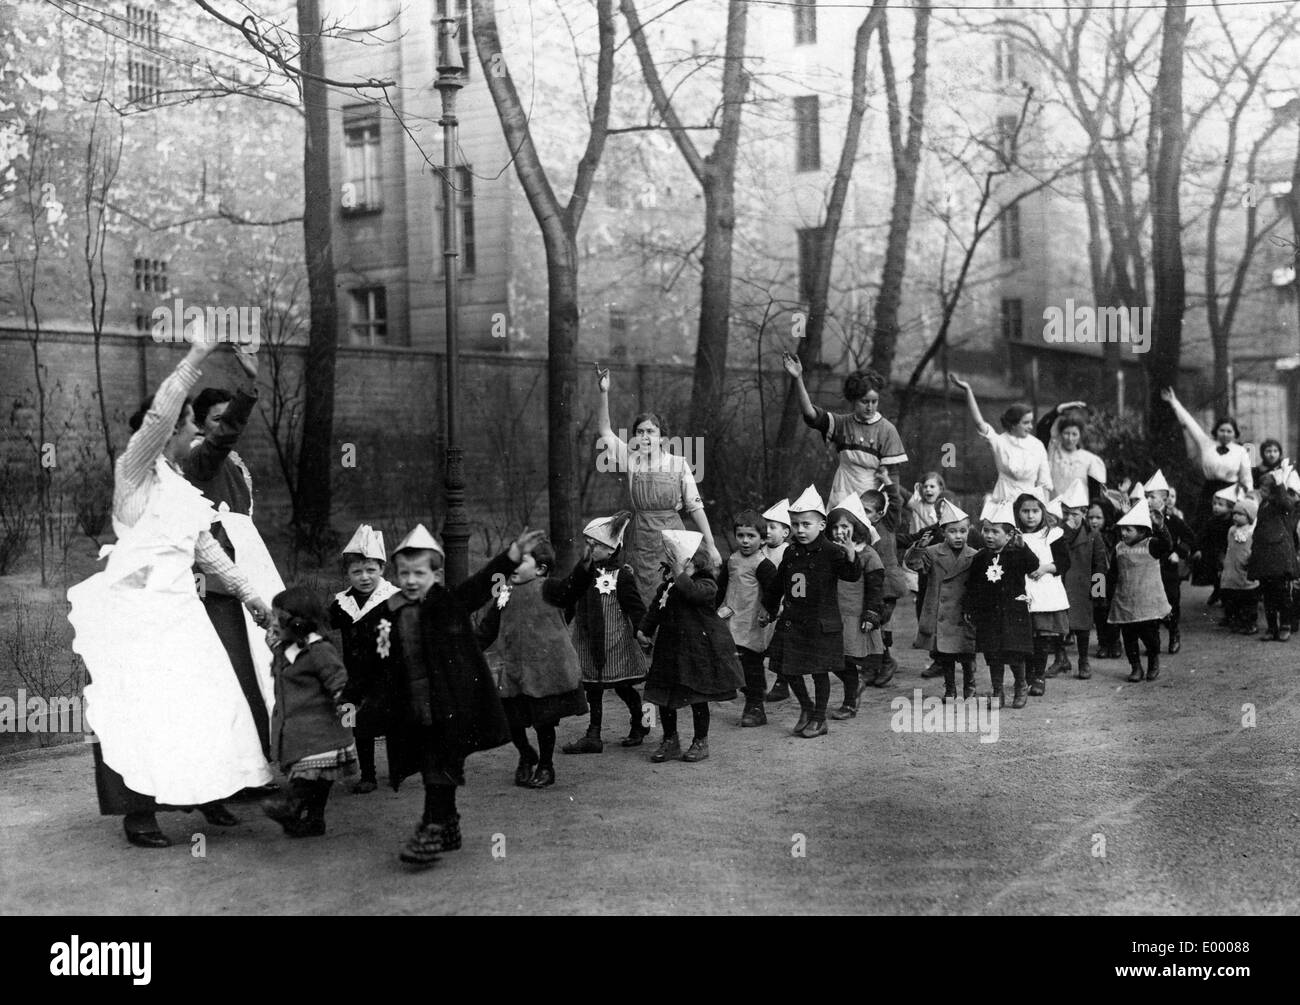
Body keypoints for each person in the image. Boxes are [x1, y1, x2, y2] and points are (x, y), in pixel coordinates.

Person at [67, 324, 274, 849]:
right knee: (140, 708)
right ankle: (138, 814)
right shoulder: (134, 470)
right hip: (134, 607)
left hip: (180, 607)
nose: (194, 434)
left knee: (209, 697)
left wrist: (255, 599)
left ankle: (210, 790)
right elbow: (161, 415)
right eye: (189, 426)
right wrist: (197, 354)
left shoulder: (182, 486)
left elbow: (210, 553)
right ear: (169, 432)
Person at [386, 524, 544, 867]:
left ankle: (431, 828)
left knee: (439, 767)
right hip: (417, 706)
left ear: (435, 574)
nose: (410, 580)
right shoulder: (392, 610)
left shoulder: (448, 602)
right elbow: (382, 657)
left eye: (419, 573)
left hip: (451, 705)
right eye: (403, 573)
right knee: (434, 766)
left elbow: (481, 585)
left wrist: (511, 556)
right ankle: (449, 825)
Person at [183, 349, 281, 766]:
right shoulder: (197, 458)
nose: (223, 426)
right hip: (215, 575)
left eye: (228, 418)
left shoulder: (233, 463)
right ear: (201, 424)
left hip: (249, 564)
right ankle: (240, 761)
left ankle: (268, 748)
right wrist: (248, 389)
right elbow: (224, 438)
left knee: (264, 656)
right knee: (235, 664)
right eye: (216, 419)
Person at [595, 365, 721, 606]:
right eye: (639, 432)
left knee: (674, 593)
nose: (644, 437)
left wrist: (712, 545)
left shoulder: (679, 464)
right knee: (642, 595)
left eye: (650, 432)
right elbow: (605, 430)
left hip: (673, 538)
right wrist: (604, 392)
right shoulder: (631, 459)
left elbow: (695, 508)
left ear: (662, 438)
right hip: (641, 539)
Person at [479, 540, 588, 789]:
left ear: (540, 569)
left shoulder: (548, 588)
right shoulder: (505, 593)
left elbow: (571, 590)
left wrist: (584, 566)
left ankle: (546, 766)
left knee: (543, 722)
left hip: (543, 672)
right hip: (513, 671)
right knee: (512, 720)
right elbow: (487, 629)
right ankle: (526, 754)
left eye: (522, 561)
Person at [759, 485, 862, 737]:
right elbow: (778, 584)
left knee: (819, 672)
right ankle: (807, 706)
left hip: (821, 624)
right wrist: (768, 608)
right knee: (788, 668)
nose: (800, 530)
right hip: (793, 621)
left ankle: (819, 718)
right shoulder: (791, 551)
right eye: (795, 524)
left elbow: (850, 575)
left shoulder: (832, 552)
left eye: (806, 524)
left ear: (822, 525)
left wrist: (851, 556)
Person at [636, 531, 745, 763]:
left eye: (681, 564)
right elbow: (656, 609)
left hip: (695, 652)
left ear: (696, 562)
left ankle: (700, 741)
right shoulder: (668, 586)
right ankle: (670, 740)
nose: (674, 569)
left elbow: (693, 594)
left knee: (697, 698)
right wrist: (644, 629)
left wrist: (679, 576)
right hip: (669, 651)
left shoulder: (706, 584)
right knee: (664, 698)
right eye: (672, 564)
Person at [262, 585, 356, 838]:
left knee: (308, 776)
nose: (274, 622)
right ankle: (314, 821)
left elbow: (339, 681)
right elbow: (274, 643)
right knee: (319, 779)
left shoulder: (318, 650)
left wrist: (346, 709)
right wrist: (267, 626)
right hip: (300, 731)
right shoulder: (287, 648)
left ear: (299, 623)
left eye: (278, 618)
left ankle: (291, 805)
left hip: (321, 731)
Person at [552, 513, 651, 754]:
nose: (589, 549)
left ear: (611, 549)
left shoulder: (622, 575)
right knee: (593, 688)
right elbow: (570, 599)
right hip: (587, 639)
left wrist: (643, 630)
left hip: (615, 641)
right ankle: (593, 735)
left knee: (623, 686)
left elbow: (635, 607)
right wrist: (560, 625)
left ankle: (642, 721)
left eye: (595, 545)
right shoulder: (583, 572)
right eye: (587, 543)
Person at [328, 525, 399, 794]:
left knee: (393, 723)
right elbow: (326, 626)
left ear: (382, 569)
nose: (364, 577)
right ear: (347, 574)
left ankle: (398, 769)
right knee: (358, 725)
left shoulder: (393, 599)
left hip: (387, 672)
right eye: (356, 572)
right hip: (354, 675)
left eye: (371, 570)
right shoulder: (342, 603)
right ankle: (367, 774)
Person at [781, 353, 908, 500]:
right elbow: (810, 413)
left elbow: (893, 478)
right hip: (841, 498)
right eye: (864, 401)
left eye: (874, 402)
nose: (870, 407)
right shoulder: (842, 424)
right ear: (853, 400)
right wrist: (798, 378)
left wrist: (893, 510)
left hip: (870, 504)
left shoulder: (887, 430)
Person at [965, 501, 1039, 709]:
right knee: (993, 654)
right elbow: (972, 585)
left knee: (1015, 652)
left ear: (1009, 535)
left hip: (1013, 613)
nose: (989, 535)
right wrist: (970, 608)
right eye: (986, 530)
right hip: (989, 614)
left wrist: (1023, 547)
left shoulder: (1017, 555)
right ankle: (998, 691)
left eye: (995, 532)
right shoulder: (980, 557)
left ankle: (1020, 685)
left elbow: (1032, 565)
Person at [903, 501, 978, 701]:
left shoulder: (974, 555)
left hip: (963, 613)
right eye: (952, 531)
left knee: (967, 652)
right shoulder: (932, 552)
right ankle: (950, 688)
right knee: (946, 654)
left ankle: (970, 685)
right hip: (941, 612)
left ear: (969, 531)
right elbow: (913, 564)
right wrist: (919, 547)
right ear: (943, 532)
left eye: (962, 531)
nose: (958, 536)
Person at [716, 509, 779, 727]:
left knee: (751, 664)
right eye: (740, 535)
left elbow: (774, 591)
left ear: (762, 539)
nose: (745, 541)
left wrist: (768, 612)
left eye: (751, 536)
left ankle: (756, 707)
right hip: (732, 620)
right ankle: (748, 693)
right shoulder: (732, 560)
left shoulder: (763, 564)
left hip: (752, 623)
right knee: (735, 661)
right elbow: (721, 588)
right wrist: (712, 609)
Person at [1160, 387, 1252, 530]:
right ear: (1216, 431)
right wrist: (1174, 402)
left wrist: (1248, 501)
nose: (1225, 434)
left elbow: (1247, 479)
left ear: (1235, 433)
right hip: (1209, 492)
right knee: (1204, 526)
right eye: (1222, 430)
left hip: (1230, 494)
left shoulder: (1241, 451)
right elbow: (1190, 424)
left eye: (1229, 431)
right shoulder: (1206, 444)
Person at [950, 373, 1052, 503]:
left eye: (1031, 422)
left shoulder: (1037, 445)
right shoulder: (1000, 442)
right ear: (1013, 424)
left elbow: (1045, 482)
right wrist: (968, 390)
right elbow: (979, 423)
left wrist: (1045, 509)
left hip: (1028, 506)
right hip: (1003, 502)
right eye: (1025, 423)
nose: (1030, 426)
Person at [826, 493, 884, 718]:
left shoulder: (868, 555)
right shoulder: (831, 552)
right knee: (831, 658)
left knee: (846, 659)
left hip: (854, 615)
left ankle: (850, 702)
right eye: (834, 527)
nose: (839, 532)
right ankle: (855, 685)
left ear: (856, 527)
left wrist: (871, 613)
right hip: (832, 613)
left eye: (844, 527)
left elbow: (875, 588)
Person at [1013, 491, 1071, 697]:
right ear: (1018, 513)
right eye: (1025, 511)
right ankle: (1027, 675)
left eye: (1035, 511)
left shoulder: (1052, 534)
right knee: (1025, 637)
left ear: (1042, 512)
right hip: (1023, 589)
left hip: (1045, 589)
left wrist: (1045, 568)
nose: (1030, 516)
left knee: (1042, 637)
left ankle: (1039, 676)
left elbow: (1064, 562)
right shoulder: (1014, 535)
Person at [1108, 499, 1172, 683]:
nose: (1123, 533)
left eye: (1128, 530)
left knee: (1150, 638)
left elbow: (1167, 545)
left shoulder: (1150, 545)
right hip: (1125, 602)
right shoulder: (1119, 548)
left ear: (1142, 531)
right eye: (1122, 529)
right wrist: (1099, 594)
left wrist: (1160, 527)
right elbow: (1111, 574)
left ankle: (1153, 662)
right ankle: (1135, 667)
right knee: (1129, 638)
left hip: (1148, 603)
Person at [1055, 480, 1109, 680]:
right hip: (1061, 585)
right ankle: (1061, 658)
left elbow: (1099, 566)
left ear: (1084, 513)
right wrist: (1066, 531)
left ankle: (1083, 659)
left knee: (1082, 627)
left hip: (1082, 587)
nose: (1069, 518)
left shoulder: (1093, 536)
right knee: (1059, 624)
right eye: (1066, 513)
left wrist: (1098, 593)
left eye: (1074, 514)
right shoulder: (1058, 534)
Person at [861, 481, 908, 686]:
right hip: (871, 588)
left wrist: (888, 482)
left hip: (888, 587)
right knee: (870, 625)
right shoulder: (861, 529)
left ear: (880, 514)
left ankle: (885, 662)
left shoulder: (887, 524)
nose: (862, 514)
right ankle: (874, 665)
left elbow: (896, 502)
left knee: (875, 625)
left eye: (867, 511)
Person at [1144, 470, 1195, 653]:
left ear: (1164, 500)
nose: (1148, 500)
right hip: (1148, 569)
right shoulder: (1143, 520)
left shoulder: (1173, 520)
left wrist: (1179, 553)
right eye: (1146, 497)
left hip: (1168, 570)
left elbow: (1190, 537)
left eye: (1152, 497)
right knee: (1150, 605)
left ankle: (1174, 633)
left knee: (1171, 603)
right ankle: (1154, 642)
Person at [1246, 467, 1298, 642]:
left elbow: (1287, 504)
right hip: (1264, 555)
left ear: (1274, 490)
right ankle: (1271, 627)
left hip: (1279, 556)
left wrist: (1280, 483)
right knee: (1267, 594)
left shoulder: (1280, 504)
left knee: (1282, 593)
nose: (1262, 492)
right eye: (1261, 488)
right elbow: (1259, 528)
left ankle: (1285, 625)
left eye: (1266, 489)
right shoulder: (1263, 505)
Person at [1035, 402, 1107, 501]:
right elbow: (1042, 428)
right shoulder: (1052, 452)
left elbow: (1095, 494)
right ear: (1060, 433)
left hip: (1079, 508)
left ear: (1080, 435)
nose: (1070, 438)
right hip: (1054, 507)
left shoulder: (1089, 459)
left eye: (1074, 434)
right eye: (1066, 433)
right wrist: (1058, 410)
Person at [760, 498, 794, 703]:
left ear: (785, 532)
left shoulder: (787, 552)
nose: (768, 531)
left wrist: (782, 604)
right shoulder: (760, 550)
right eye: (766, 526)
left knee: (781, 648)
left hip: (781, 607)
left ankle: (782, 683)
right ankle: (757, 683)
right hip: (762, 604)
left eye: (773, 527)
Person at [1192, 486, 1237, 611]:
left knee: (1226, 576)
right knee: (1215, 575)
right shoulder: (1211, 521)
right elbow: (1203, 535)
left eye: (1220, 505)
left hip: (1227, 552)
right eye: (1215, 504)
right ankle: (1217, 591)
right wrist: (1199, 549)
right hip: (1213, 552)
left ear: (1230, 508)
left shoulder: (1232, 523)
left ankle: (1225, 598)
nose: (1216, 507)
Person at [1088, 502, 1123, 659]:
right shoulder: (1087, 535)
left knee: (1113, 609)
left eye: (1098, 517)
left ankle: (1115, 642)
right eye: (1090, 517)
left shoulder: (1113, 534)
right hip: (1097, 577)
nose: (1094, 521)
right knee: (1099, 610)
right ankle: (1103, 643)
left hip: (1113, 577)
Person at [1220, 497, 1260, 634]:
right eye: (1234, 513)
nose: (1235, 517)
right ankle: (1236, 621)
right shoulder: (1232, 531)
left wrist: (1251, 561)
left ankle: (1250, 623)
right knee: (1233, 599)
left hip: (1246, 570)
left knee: (1248, 601)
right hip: (1232, 571)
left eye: (1240, 514)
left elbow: (1255, 550)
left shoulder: (1252, 532)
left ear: (1249, 516)